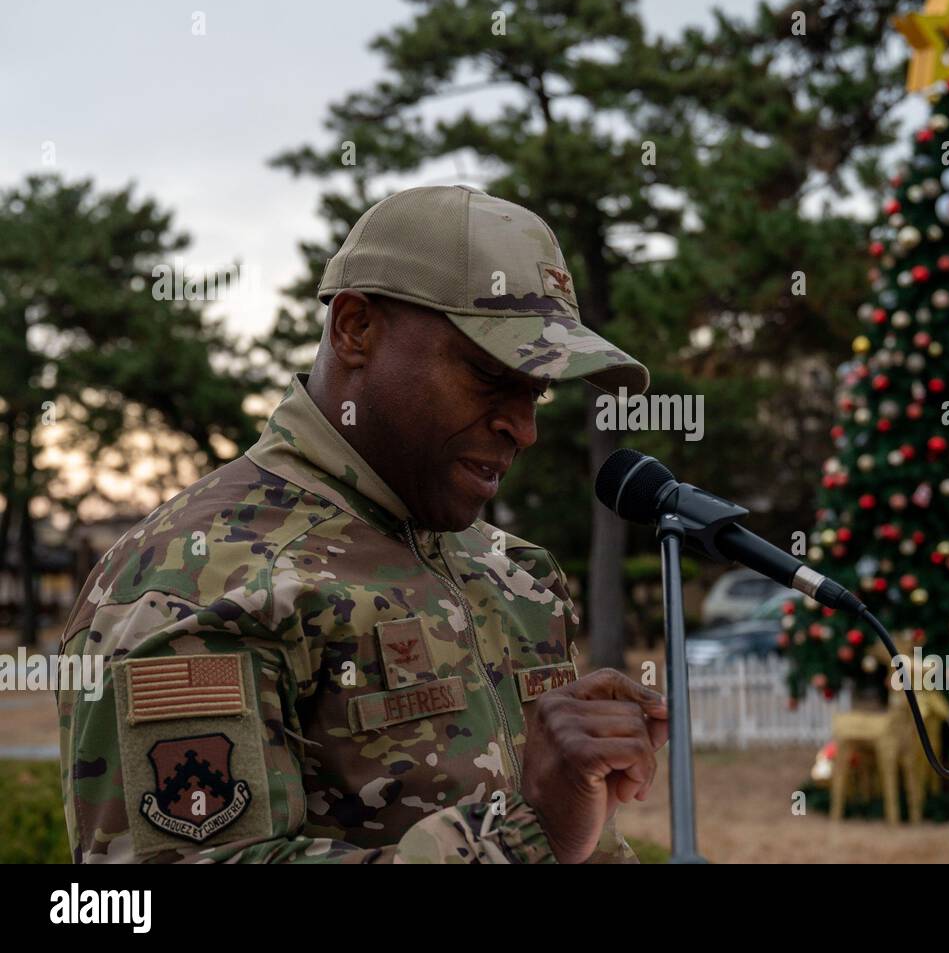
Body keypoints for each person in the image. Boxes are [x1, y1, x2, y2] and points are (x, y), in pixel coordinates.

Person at [57, 184, 666, 864]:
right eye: (490, 376)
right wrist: (526, 839)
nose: (523, 428)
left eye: (537, 392)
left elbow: (581, 840)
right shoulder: (195, 579)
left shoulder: (516, 577)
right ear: (355, 327)